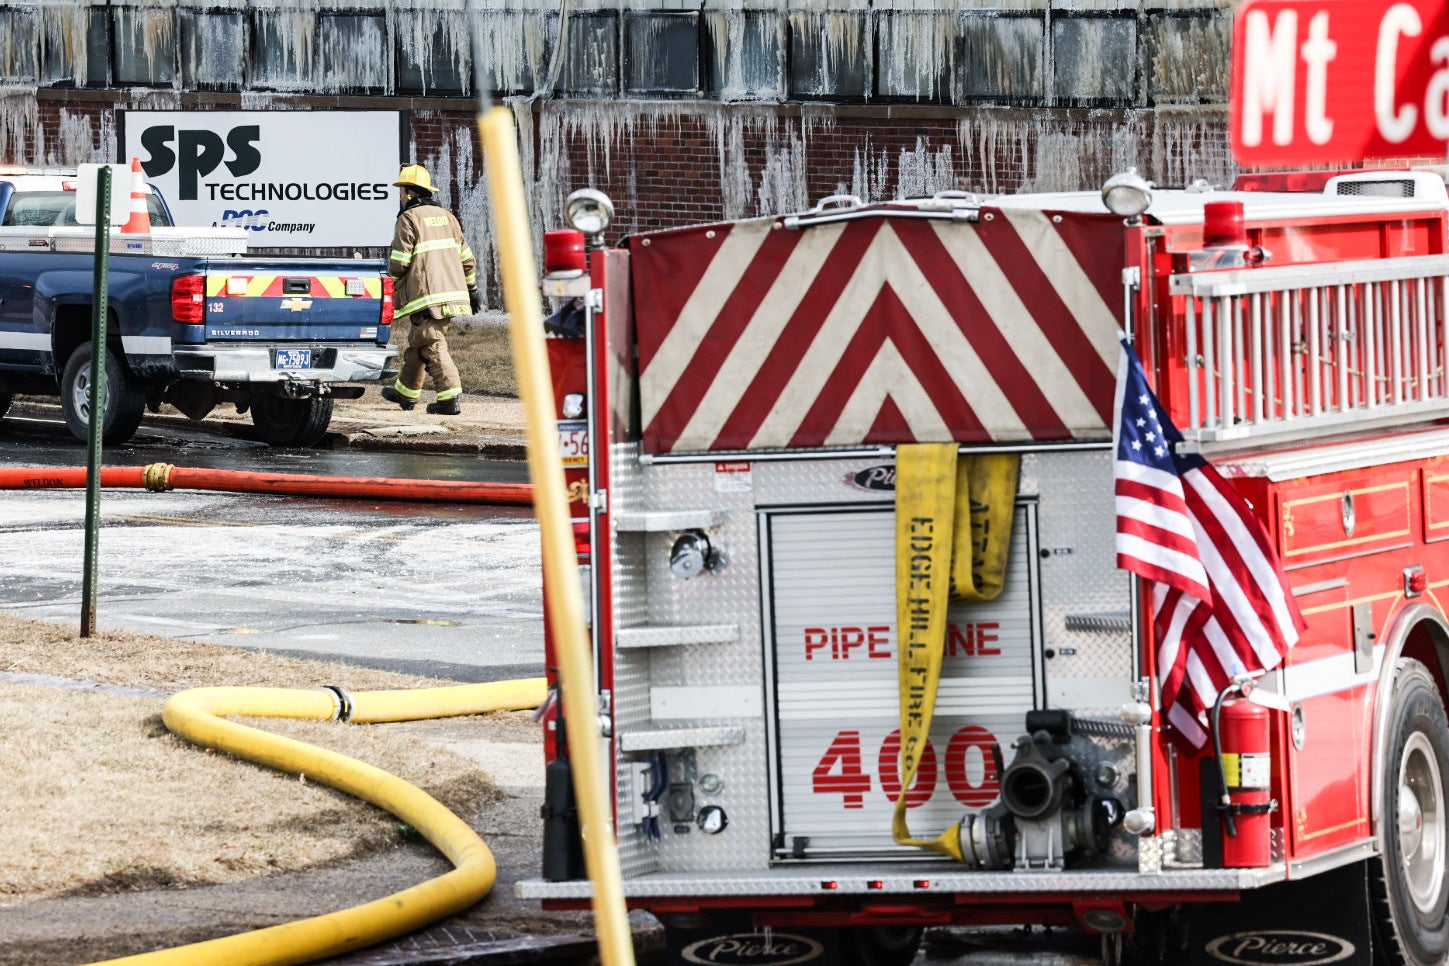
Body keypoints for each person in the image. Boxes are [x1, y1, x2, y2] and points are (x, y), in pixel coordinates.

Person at [380, 163, 480, 416]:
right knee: (420, 343)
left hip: (426, 297)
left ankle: (449, 398)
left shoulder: (408, 218)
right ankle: (405, 393)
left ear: (410, 193)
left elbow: (400, 262)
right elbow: (467, 258)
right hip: (453, 295)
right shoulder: (448, 217)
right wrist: (473, 290)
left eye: (401, 191)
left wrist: (387, 283)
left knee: (432, 344)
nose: (400, 196)